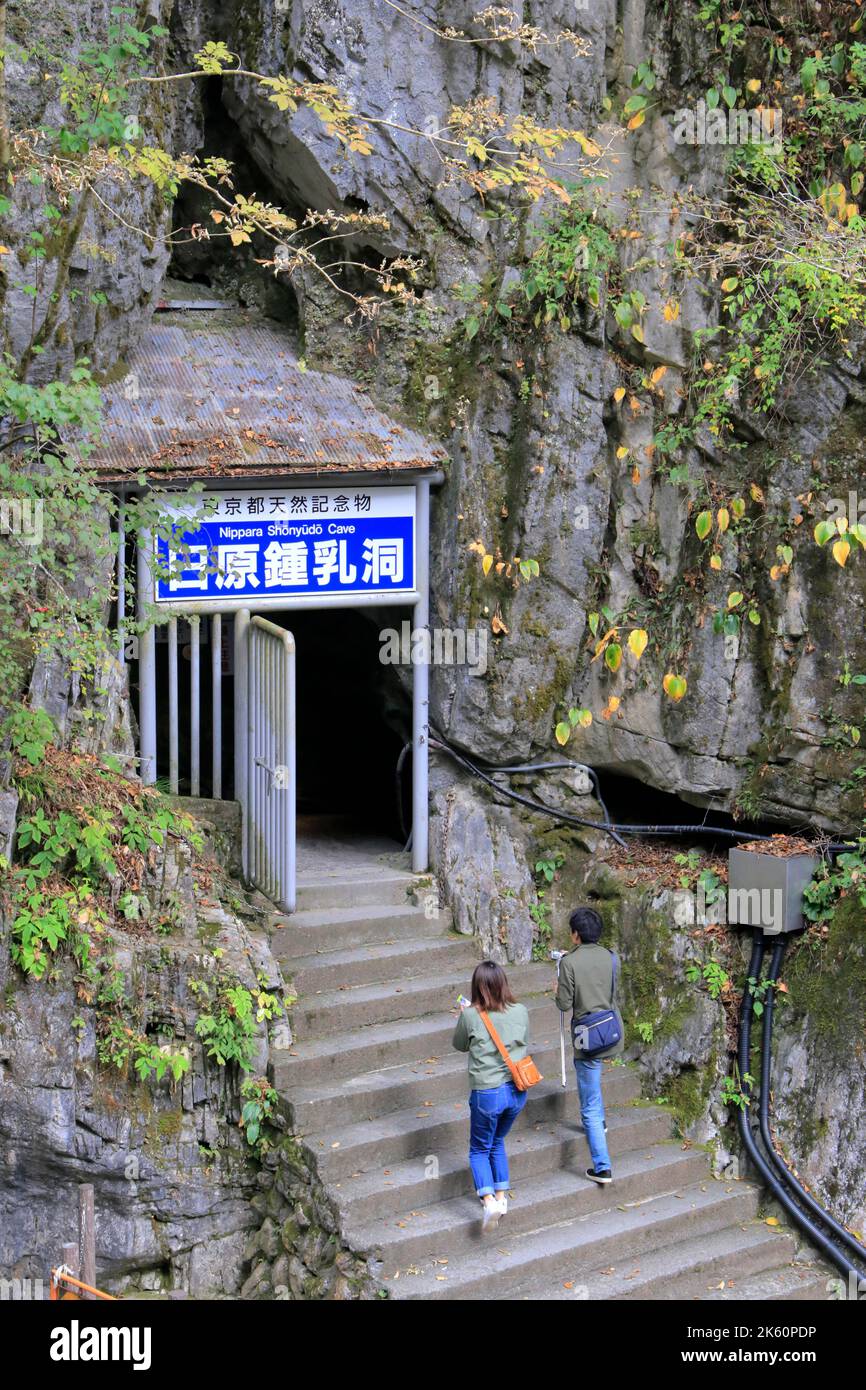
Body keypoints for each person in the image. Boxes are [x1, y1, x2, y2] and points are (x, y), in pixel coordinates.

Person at [452, 960, 530, 1230]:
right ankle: (502, 1196)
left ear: (477, 987)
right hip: (518, 1091)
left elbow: (460, 1045)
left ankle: (488, 1201)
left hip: (488, 1093)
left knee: (478, 1149)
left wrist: (464, 1014)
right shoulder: (520, 1010)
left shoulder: (470, 1015)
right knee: (497, 1141)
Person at [555, 906, 623, 1186]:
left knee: (590, 1104)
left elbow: (564, 1004)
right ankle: (601, 1125)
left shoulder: (569, 963)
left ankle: (603, 1167)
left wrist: (557, 987)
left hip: (588, 1038)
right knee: (593, 1091)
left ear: (575, 935)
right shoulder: (611, 957)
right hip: (611, 1030)